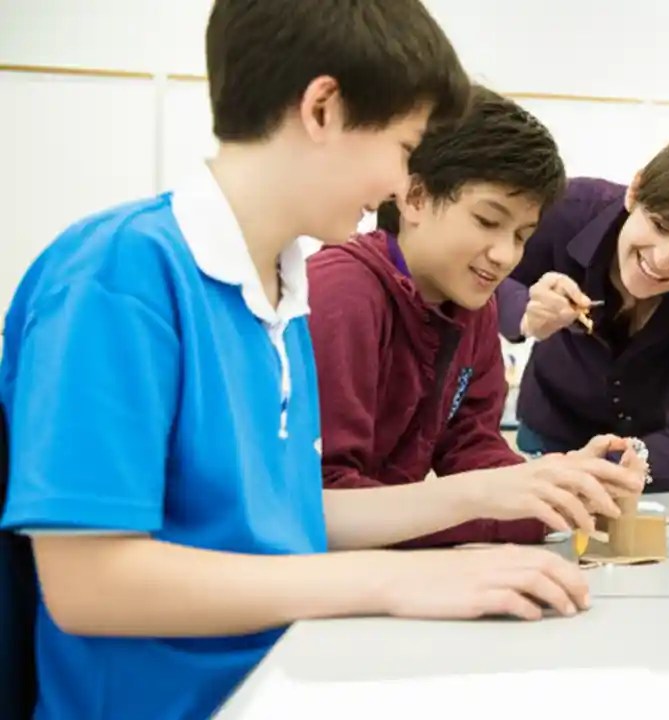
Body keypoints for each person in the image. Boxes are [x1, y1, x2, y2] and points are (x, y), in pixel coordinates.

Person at [0, 4, 623, 718]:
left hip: (292, 673)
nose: (401, 185)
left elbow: (294, 517)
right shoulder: (118, 274)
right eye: (403, 146)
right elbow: (89, 585)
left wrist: (494, 496)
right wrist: (393, 582)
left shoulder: (280, 295)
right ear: (323, 109)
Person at [308, 86, 644, 546]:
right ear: (415, 197)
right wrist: (494, 502)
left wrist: (560, 487)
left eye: (522, 235)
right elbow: (324, 499)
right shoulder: (343, 293)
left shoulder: (473, 308)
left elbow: (472, 449)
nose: (505, 255)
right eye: (487, 221)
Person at [495, 133, 669, 492]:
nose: (662, 260)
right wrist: (525, 312)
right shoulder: (567, 209)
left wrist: (602, 472)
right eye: (660, 226)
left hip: (659, 463)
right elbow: (487, 277)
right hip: (550, 433)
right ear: (635, 191)